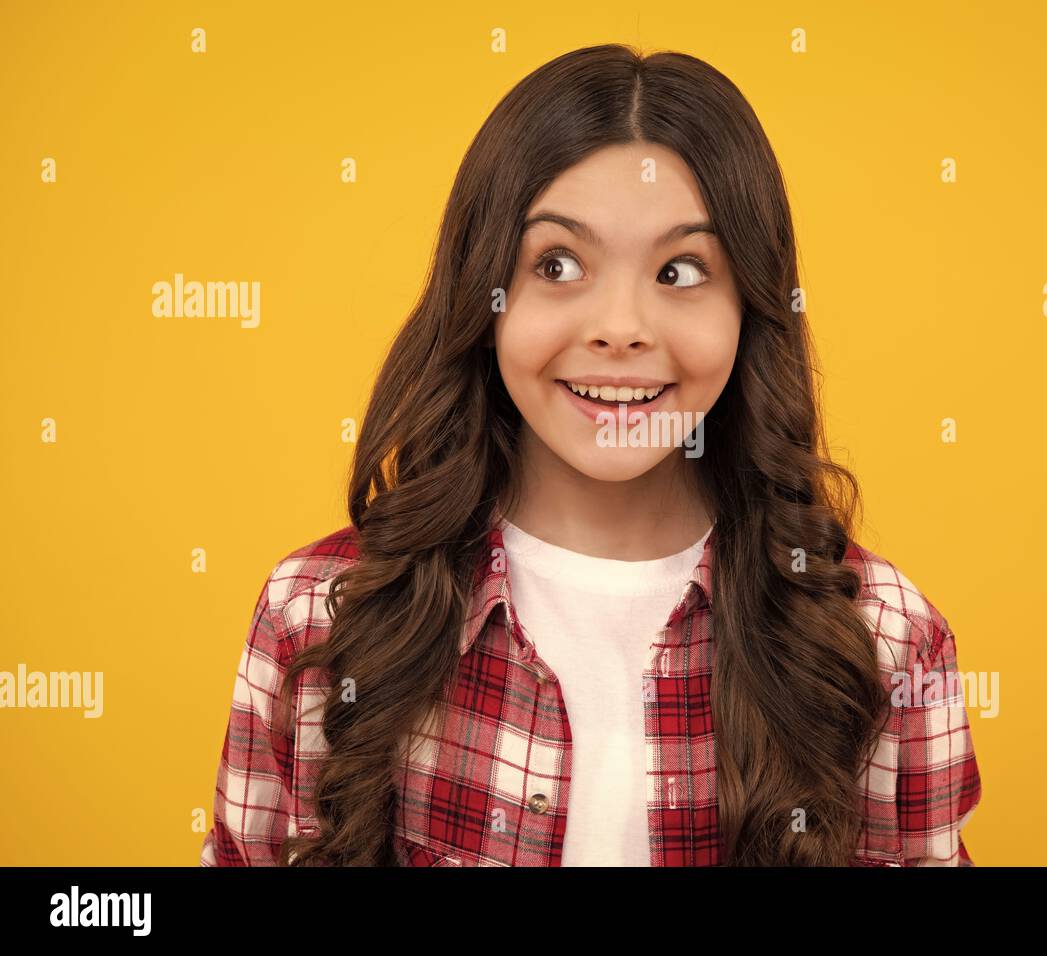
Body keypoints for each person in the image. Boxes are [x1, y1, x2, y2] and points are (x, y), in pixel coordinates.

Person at [199, 43, 981, 867]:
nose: (620, 327)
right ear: (484, 296)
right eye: (558, 264)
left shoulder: (884, 640)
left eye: (680, 270)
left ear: (750, 307)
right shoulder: (318, 614)